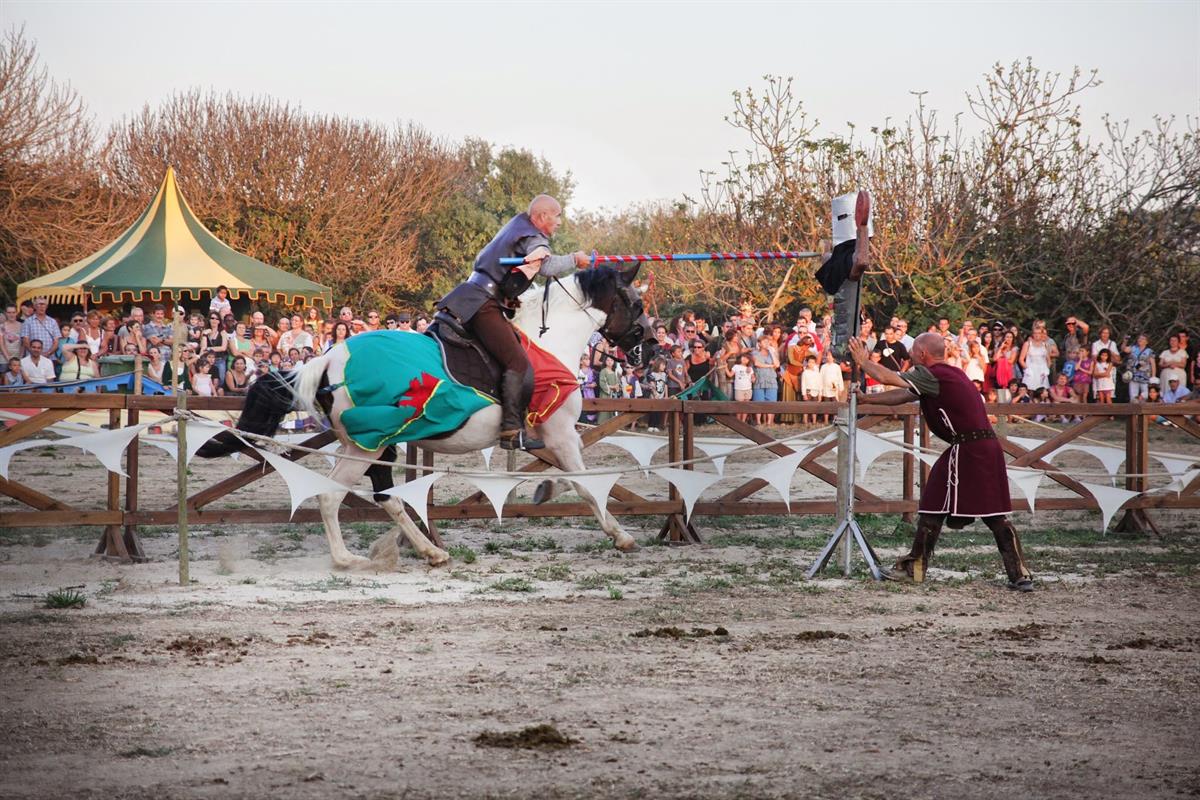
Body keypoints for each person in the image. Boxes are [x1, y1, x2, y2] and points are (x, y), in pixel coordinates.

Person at [847, 333, 1034, 591]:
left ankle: (917, 568)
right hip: (979, 447)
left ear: (923, 353)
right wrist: (868, 400)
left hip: (969, 448)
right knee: (950, 503)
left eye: (913, 351)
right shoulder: (948, 374)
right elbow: (903, 395)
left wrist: (863, 361)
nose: (910, 356)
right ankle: (1018, 574)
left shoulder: (931, 373)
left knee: (984, 513)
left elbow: (889, 378)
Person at [435, 194, 589, 450]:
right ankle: (510, 429)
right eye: (557, 215)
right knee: (518, 361)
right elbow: (545, 267)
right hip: (482, 303)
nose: (560, 221)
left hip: (478, 297)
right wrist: (575, 259)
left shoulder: (517, 226)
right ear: (541, 216)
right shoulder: (532, 236)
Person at [1019, 320, 1058, 391]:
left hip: (1041, 372)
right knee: (1029, 390)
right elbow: (1021, 359)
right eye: (1035, 333)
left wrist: (1046, 370)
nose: (1037, 335)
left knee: (1042, 392)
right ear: (1032, 334)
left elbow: (1048, 361)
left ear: (1041, 334)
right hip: (1030, 371)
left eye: (1039, 333)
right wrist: (1027, 370)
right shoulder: (1027, 344)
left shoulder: (1045, 345)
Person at [20, 298, 59, 363]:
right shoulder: (28, 322)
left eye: (44, 304)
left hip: (49, 358)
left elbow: (56, 341)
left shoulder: (53, 322)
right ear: (35, 306)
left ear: (46, 307)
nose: (42, 307)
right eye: (39, 304)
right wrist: (35, 353)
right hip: (32, 358)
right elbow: (25, 340)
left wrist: (48, 353)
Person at [1122, 333, 1156, 402]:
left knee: (1145, 395)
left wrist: (1153, 376)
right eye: (1139, 338)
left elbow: (1153, 364)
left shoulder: (1149, 351)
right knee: (1133, 396)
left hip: (1145, 376)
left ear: (1146, 342)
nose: (1140, 340)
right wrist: (1125, 341)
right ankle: (1134, 412)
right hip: (1133, 376)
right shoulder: (1133, 348)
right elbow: (1124, 349)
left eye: (1142, 339)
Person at [727, 352, 755, 423]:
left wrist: (753, 379)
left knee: (746, 406)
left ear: (749, 360)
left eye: (747, 358)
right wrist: (725, 367)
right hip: (739, 389)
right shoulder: (736, 366)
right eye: (743, 357)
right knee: (739, 406)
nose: (745, 359)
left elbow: (753, 377)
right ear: (740, 358)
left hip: (748, 388)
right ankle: (738, 421)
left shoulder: (750, 368)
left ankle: (743, 421)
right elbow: (730, 375)